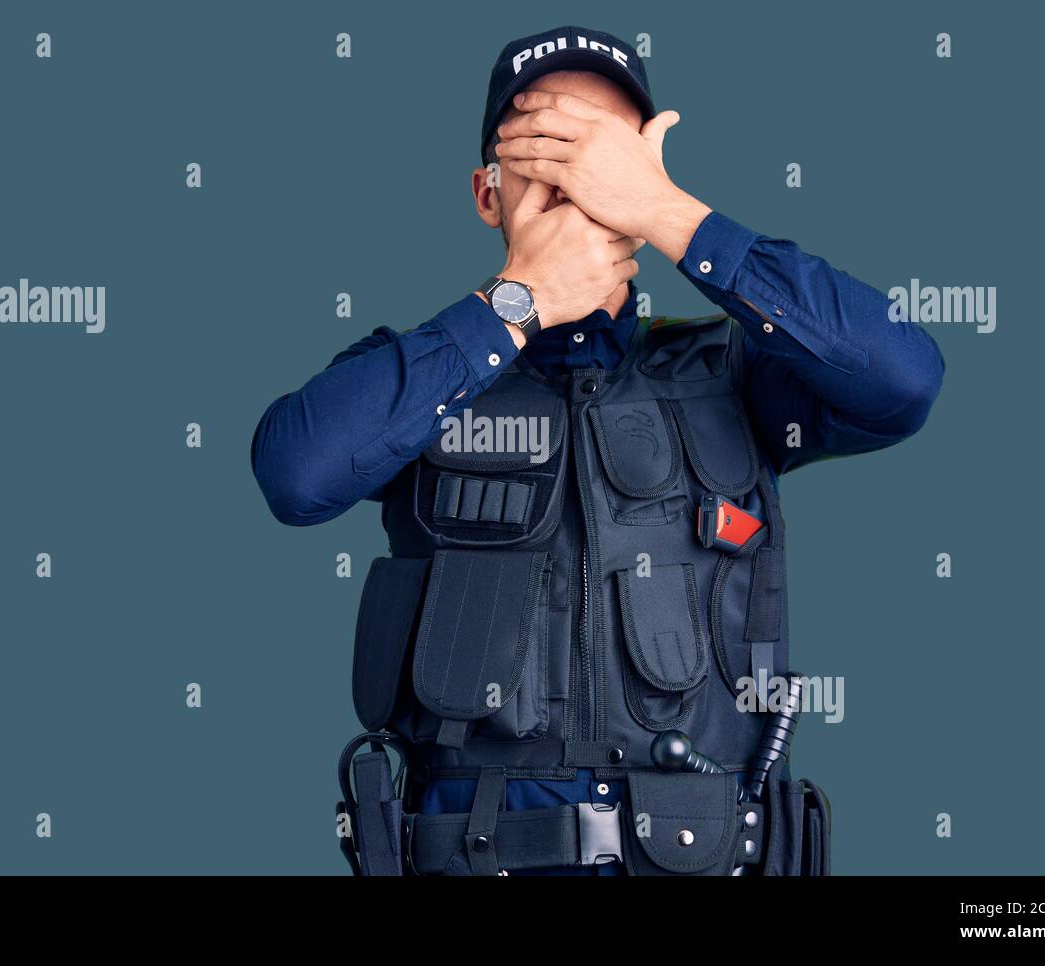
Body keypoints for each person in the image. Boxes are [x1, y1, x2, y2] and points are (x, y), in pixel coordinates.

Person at [252, 25, 944, 876]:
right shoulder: (427, 373)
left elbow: (903, 378)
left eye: (603, 156)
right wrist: (516, 303)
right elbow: (295, 474)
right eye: (550, 151)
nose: (581, 184)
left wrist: (671, 214)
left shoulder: (738, 372)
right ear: (487, 194)